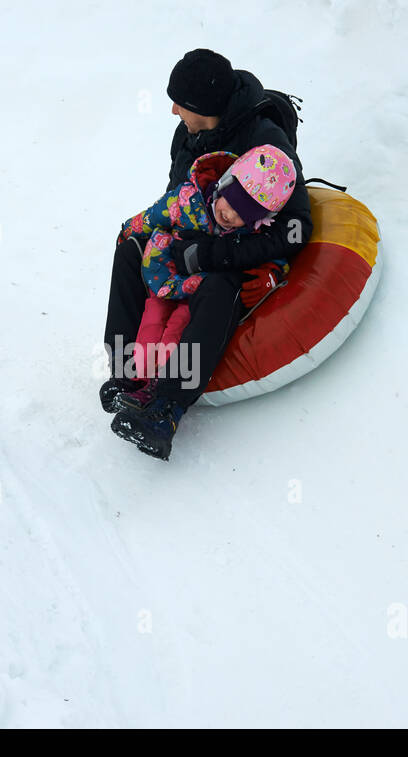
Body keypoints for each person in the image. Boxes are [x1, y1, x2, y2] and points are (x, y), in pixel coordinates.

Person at [101, 48, 313, 460]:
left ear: (206, 107)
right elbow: (175, 196)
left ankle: (166, 407)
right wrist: (154, 235)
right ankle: (128, 376)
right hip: (194, 239)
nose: (174, 110)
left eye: (180, 103)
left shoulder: (265, 140)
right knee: (130, 250)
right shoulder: (187, 134)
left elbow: (295, 227)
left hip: (235, 254)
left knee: (218, 287)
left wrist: (211, 253)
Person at [111, 144, 298, 420]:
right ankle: (132, 380)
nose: (231, 216)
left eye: (243, 216)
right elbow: (153, 215)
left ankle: (155, 389)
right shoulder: (187, 200)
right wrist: (128, 230)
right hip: (163, 282)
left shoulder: (247, 236)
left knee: (175, 333)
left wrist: (272, 276)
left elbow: (274, 257)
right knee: (150, 325)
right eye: (232, 204)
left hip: (194, 293)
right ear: (224, 185)